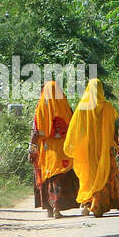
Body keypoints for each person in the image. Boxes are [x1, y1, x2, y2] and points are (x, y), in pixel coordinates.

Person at [63, 78, 119, 218]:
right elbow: (114, 128)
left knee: (87, 176)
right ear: (101, 89)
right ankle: (97, 206)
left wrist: (74, 146)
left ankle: (85, 204)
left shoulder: (82, 107)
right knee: (101, 175)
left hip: (85, 148)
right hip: (103, 148)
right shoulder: (107, 107)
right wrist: (116, 144)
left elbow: (74, 129)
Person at [30, 80, 81, 218]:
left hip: (47, 149)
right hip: (64, 148)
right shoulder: (65, 106)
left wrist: (31, 147)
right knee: (62, 175)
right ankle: (58, 209)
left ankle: (49, 209)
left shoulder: (41, 107)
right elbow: (73, 126)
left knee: (48, 175)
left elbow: (35, 130)